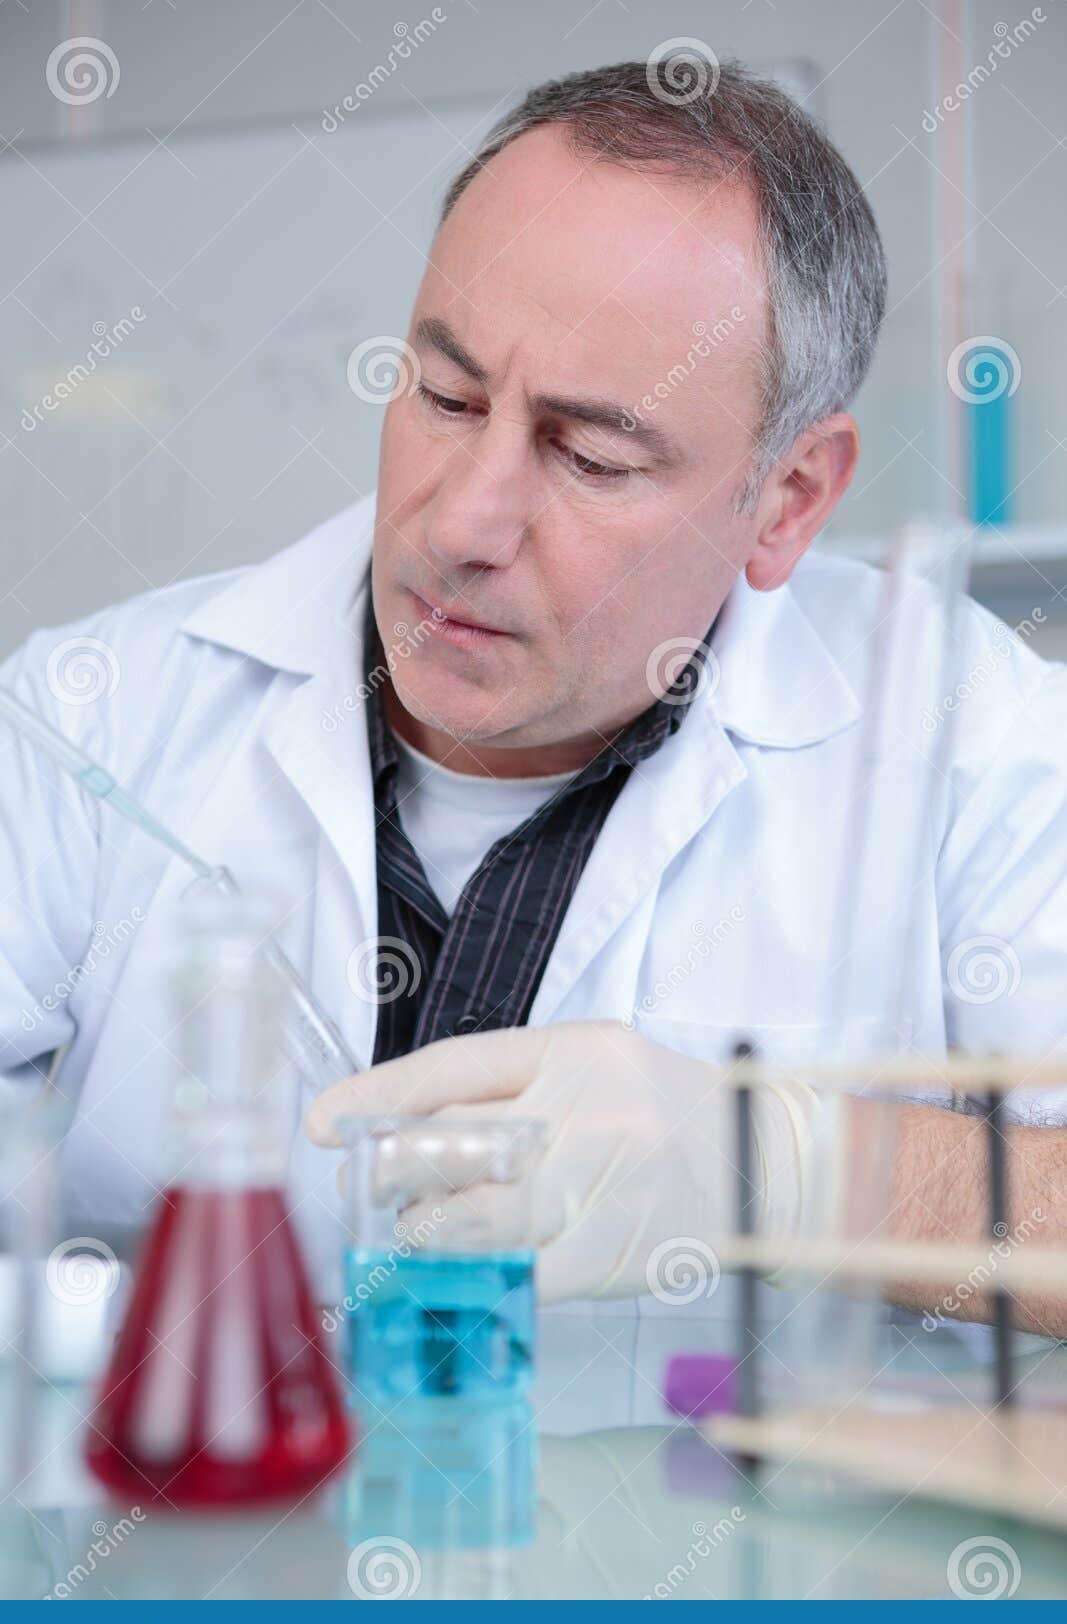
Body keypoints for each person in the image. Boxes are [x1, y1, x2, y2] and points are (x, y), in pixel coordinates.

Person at [2, 60, 1064, 1329]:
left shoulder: (968, 739)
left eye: (591, 455)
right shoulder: (92, 718)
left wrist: (789, 1172)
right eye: (446, 396)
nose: (462, 521)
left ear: (787, 497)